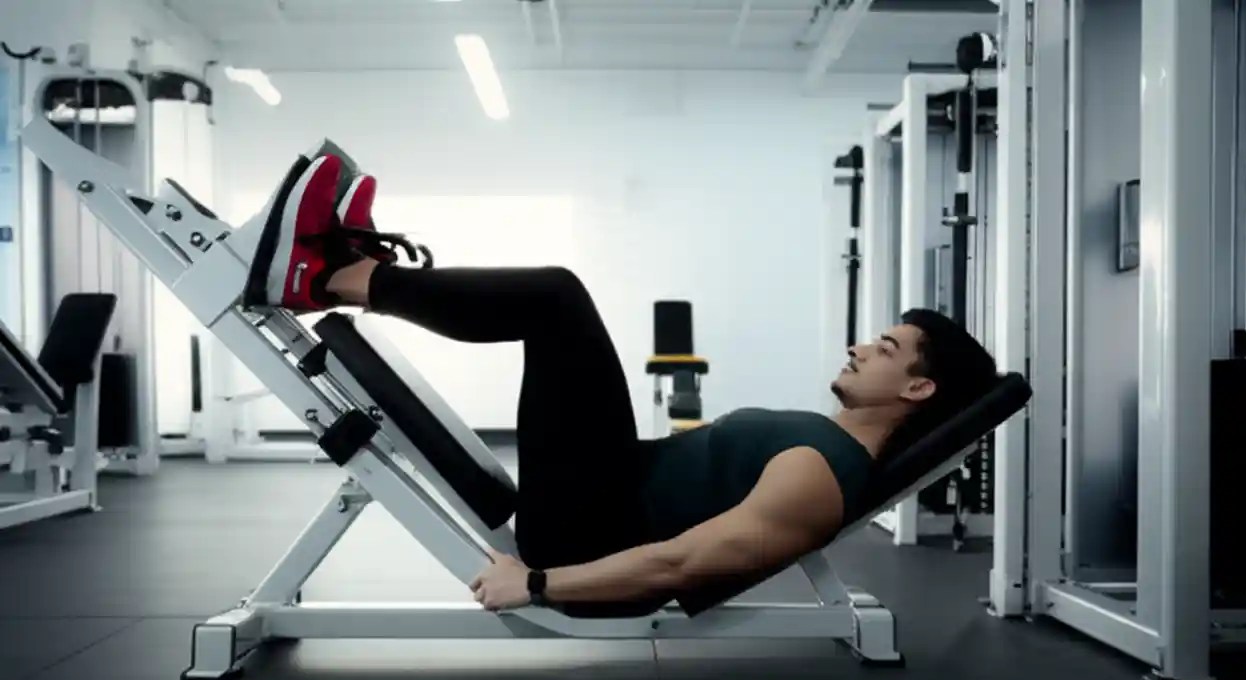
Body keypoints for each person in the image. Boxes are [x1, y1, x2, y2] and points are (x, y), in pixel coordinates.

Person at [243, 153, 1000, 617]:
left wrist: (536, 585)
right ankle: (341, 273)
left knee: (555, 300)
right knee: (557, 300)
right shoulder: (822, 447)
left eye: (888, 347)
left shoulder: (820, 474)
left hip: (587, 524)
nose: (862, 346)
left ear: (918, 391)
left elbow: (682, 567)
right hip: (607, 484)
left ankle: (331, 276)